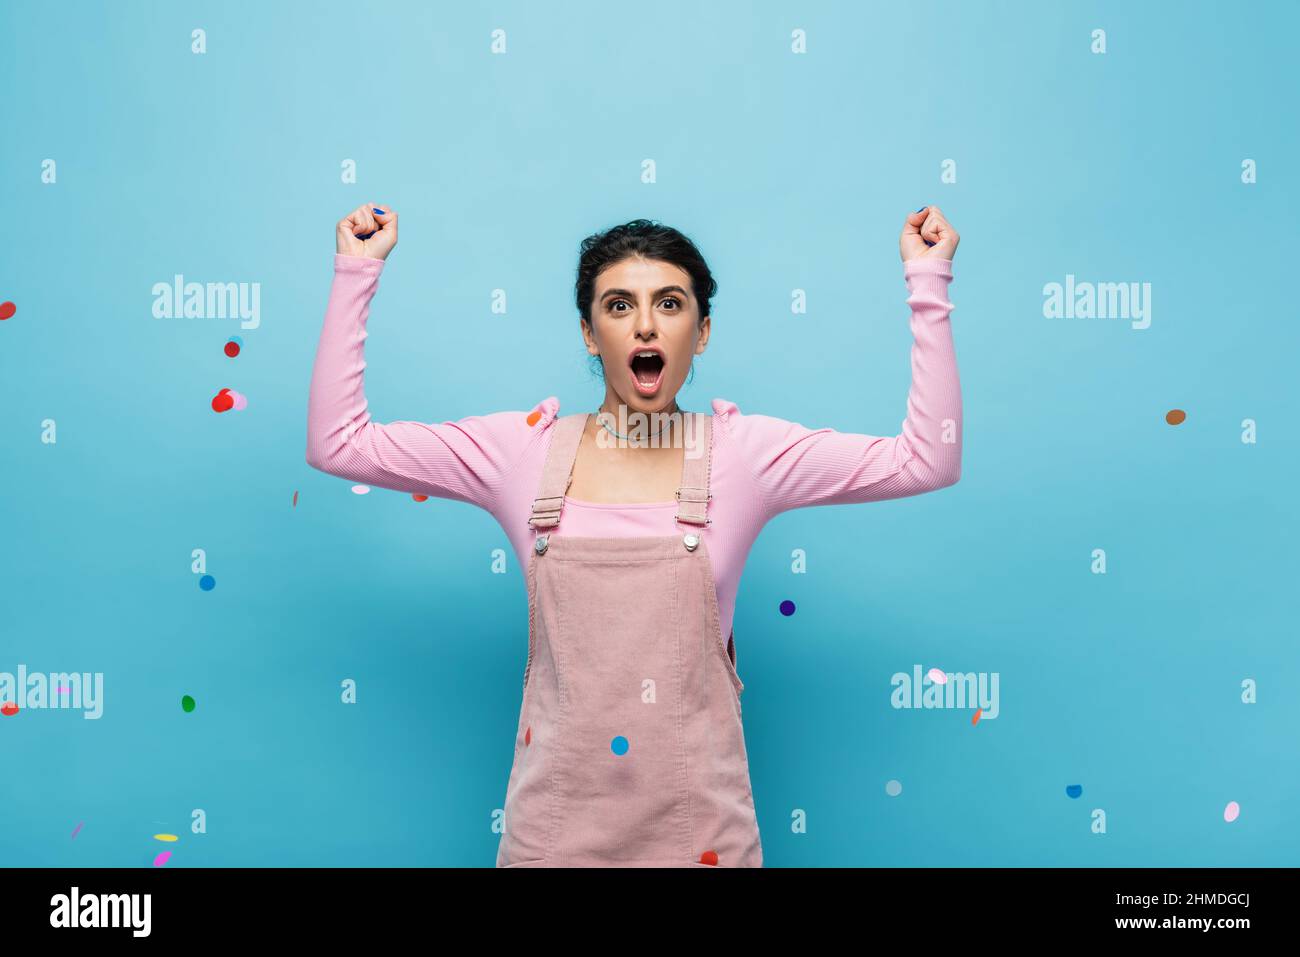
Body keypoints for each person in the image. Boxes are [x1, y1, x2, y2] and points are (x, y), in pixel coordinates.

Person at [306, 207, 962, 867]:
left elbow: (927, 459)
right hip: (551, 841)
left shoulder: (743, 453)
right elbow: (340, 443)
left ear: (700, 332)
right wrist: (357, 269)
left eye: (669, 304)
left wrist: (927, 281)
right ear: (590, 334)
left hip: (702, 839)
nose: (645, 324)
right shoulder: (522, 451)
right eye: (619, 305)